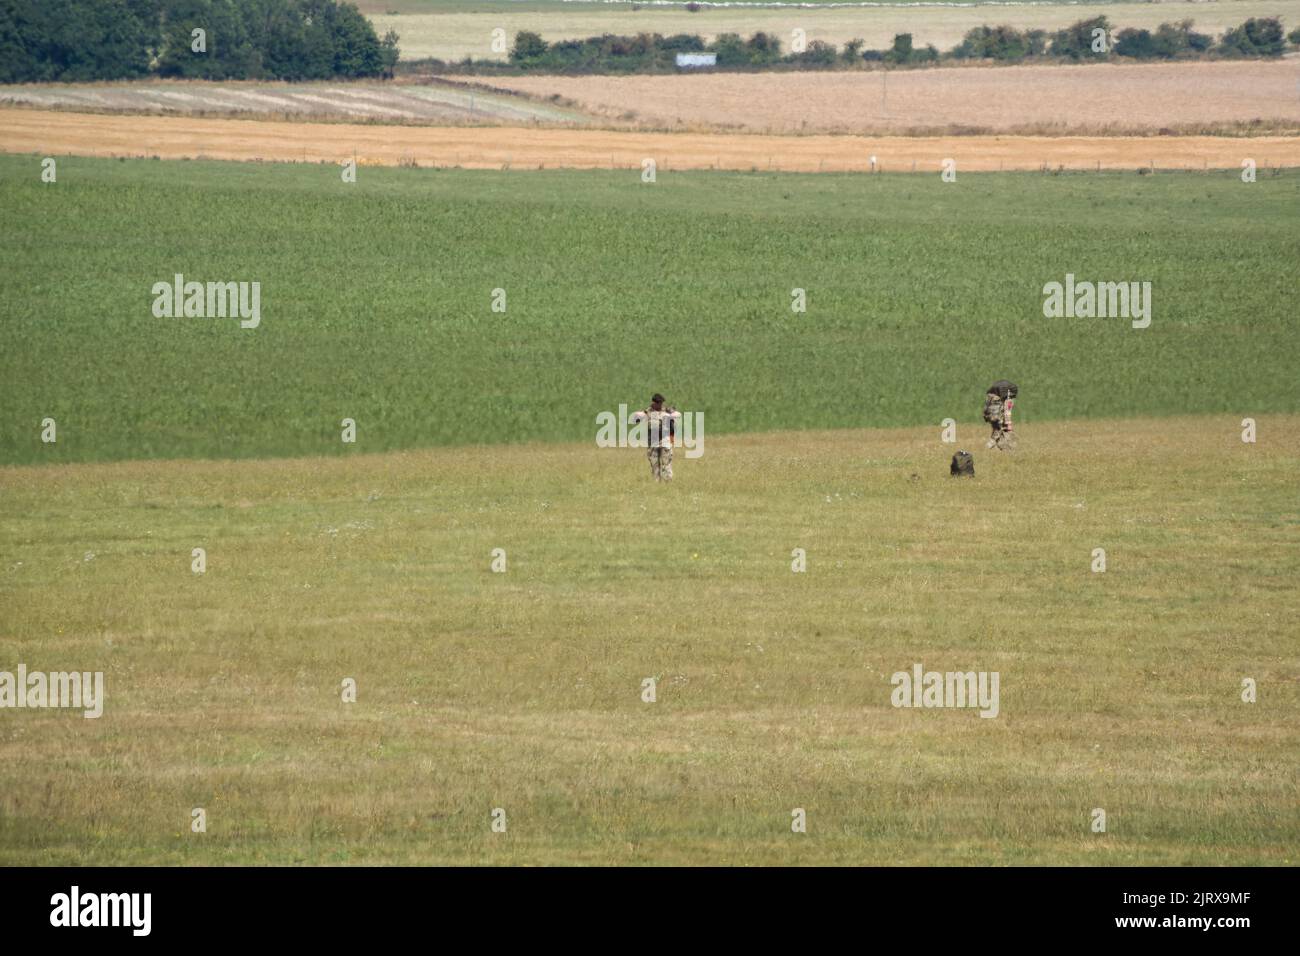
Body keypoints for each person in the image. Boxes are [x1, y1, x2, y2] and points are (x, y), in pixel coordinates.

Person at [631, 393, 680, 481]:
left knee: (666, 465)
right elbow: (635, 419)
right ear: (654, 403)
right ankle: (656, 485)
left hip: (665, 443)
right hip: (653, 444)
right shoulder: (648, 411)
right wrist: (639, 415)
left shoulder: (667, 410)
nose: (660, 405)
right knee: (655, 466)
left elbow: (678, 414)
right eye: (658, 403)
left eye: (661, 403)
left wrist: (668, 416)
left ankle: (668, 484)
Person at [983, 380, 1018, 451]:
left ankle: (1001, 448)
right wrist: (1008, 423)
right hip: (996, 415)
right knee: (999, 431)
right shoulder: (1007, 395)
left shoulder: (990, 394)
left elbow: (987, 409)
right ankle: (988, 447)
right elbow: (1007, 409)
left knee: (997, 430)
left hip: (991, 413)